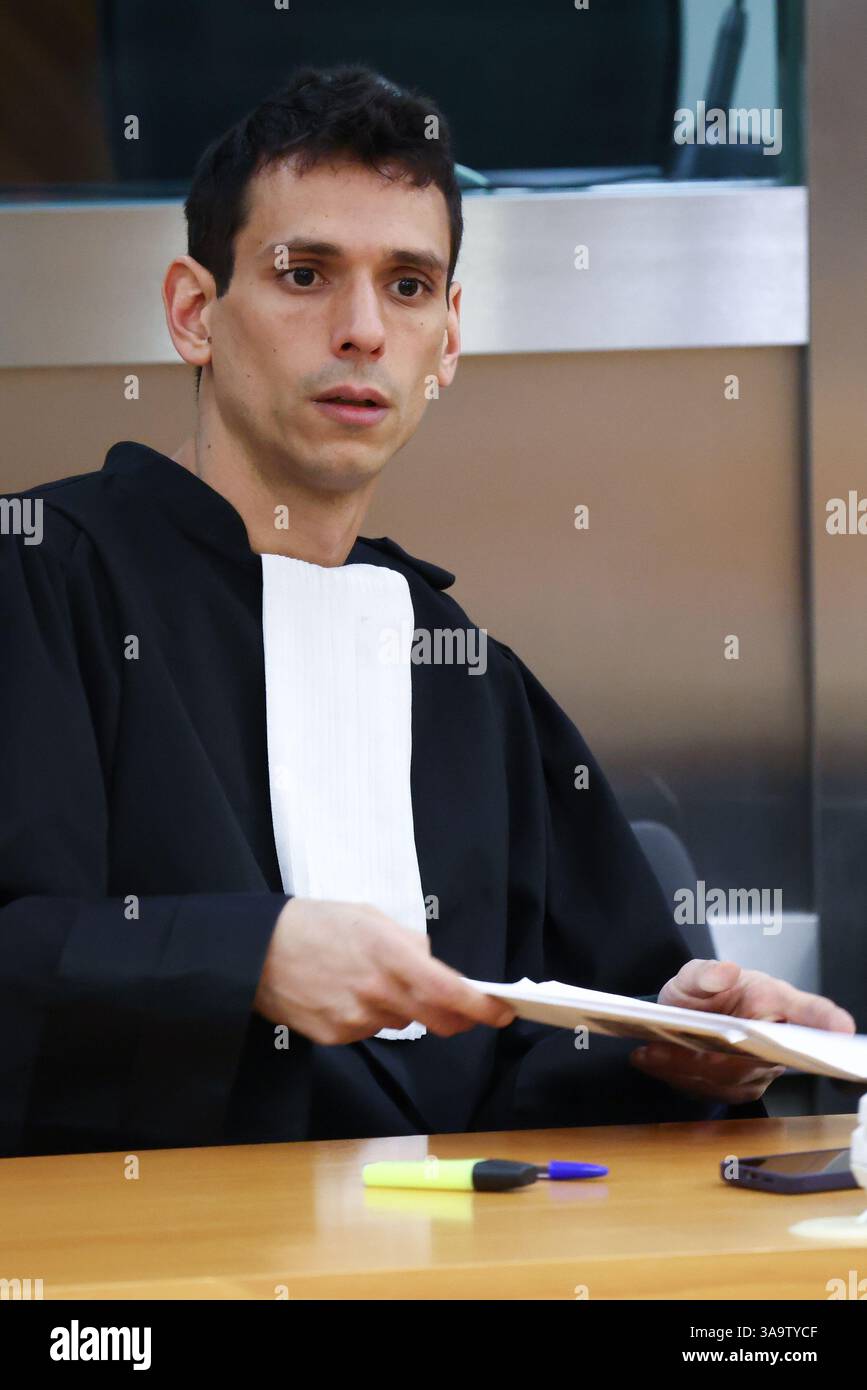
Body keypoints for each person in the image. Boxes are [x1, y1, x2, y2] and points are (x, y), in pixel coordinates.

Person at [0, 66, 853, 1157]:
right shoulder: (37, 583)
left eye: (407, 286)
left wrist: (687, 1045)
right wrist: (245, 956)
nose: (361, 330)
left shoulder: (467, 677)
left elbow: (554, 1060)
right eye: (304, 273)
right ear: (191, 312)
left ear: (448, 340)